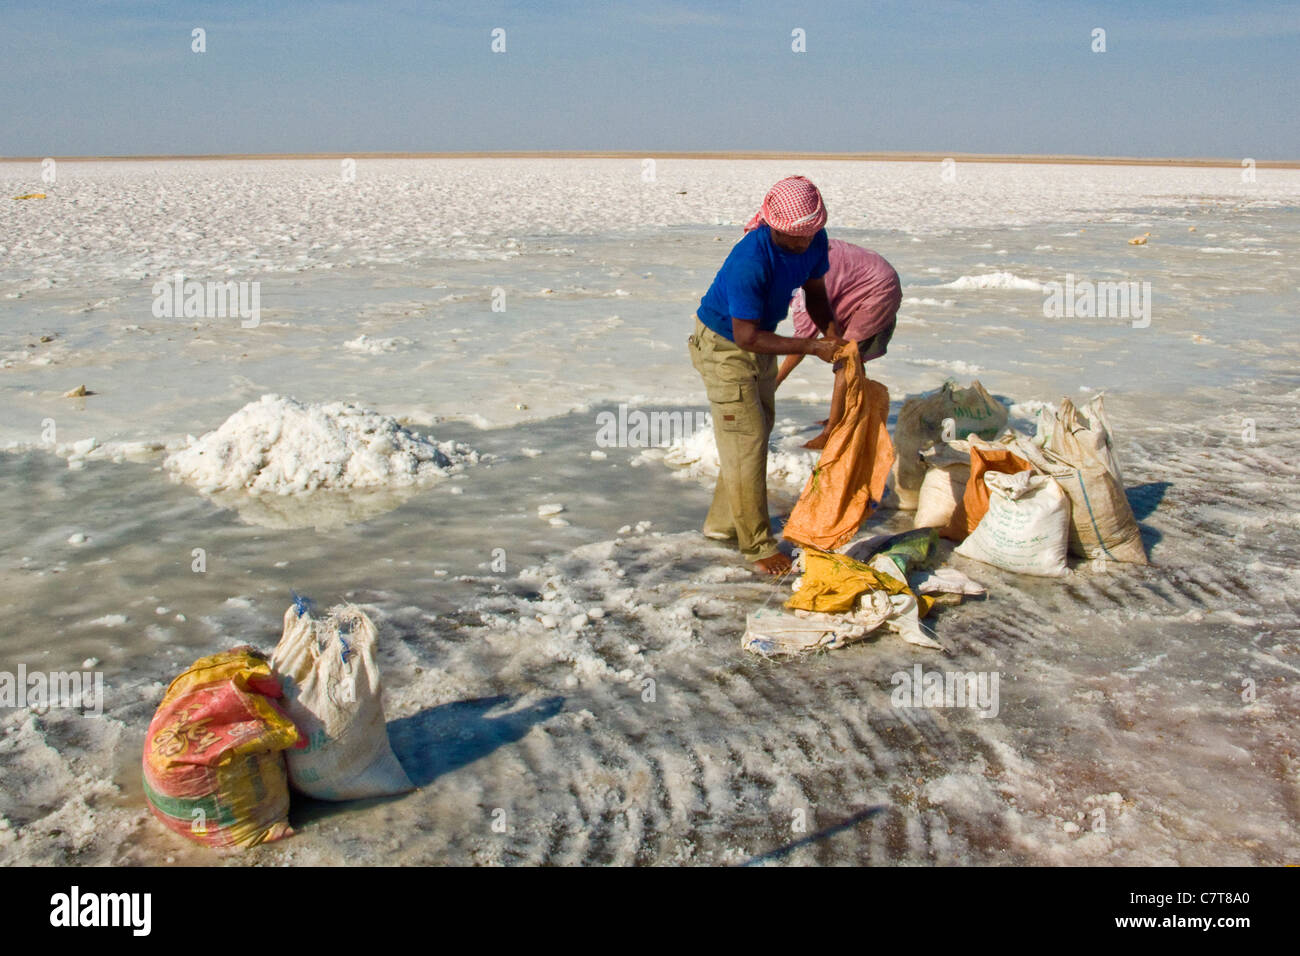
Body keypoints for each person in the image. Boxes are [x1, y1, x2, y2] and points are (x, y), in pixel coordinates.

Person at [687, 177, 847, 576]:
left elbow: (815, 291)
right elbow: (745, 336)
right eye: (791, 238)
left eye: (807, 237)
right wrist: (810, 347)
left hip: (762, 341)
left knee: (753, 435)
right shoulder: (750, 261)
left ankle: (724, 524)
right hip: (727, 347)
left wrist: (833, 336)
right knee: (748, 439)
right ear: (773, 225)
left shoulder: (813, 239)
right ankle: (756, 545)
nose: (800, 245)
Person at [774, 240, 901, 449]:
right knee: (852, 355)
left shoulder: (804, 278)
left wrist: (774, 382)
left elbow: (804, 338)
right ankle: (846, 413)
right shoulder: (803, 251)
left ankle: (832, 430)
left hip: (878, 289)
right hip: (866, 281)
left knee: (845, 358)